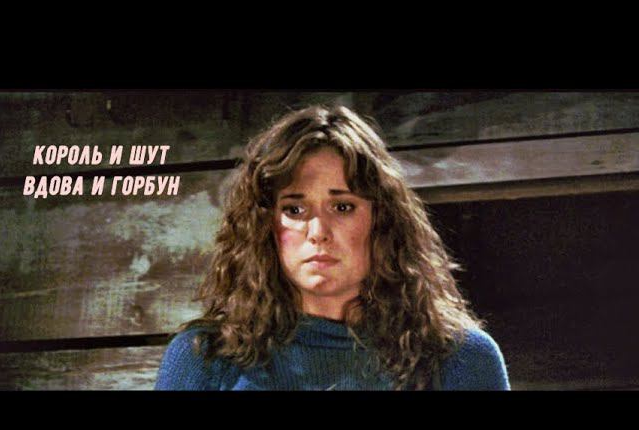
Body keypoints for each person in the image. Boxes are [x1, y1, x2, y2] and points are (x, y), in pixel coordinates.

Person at [155, 104, 510, 390]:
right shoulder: (204, 357)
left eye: (342, 207)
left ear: (380, 219)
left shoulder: (461, 359)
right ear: (265, 225)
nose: (318, 232)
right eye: (294, 210)